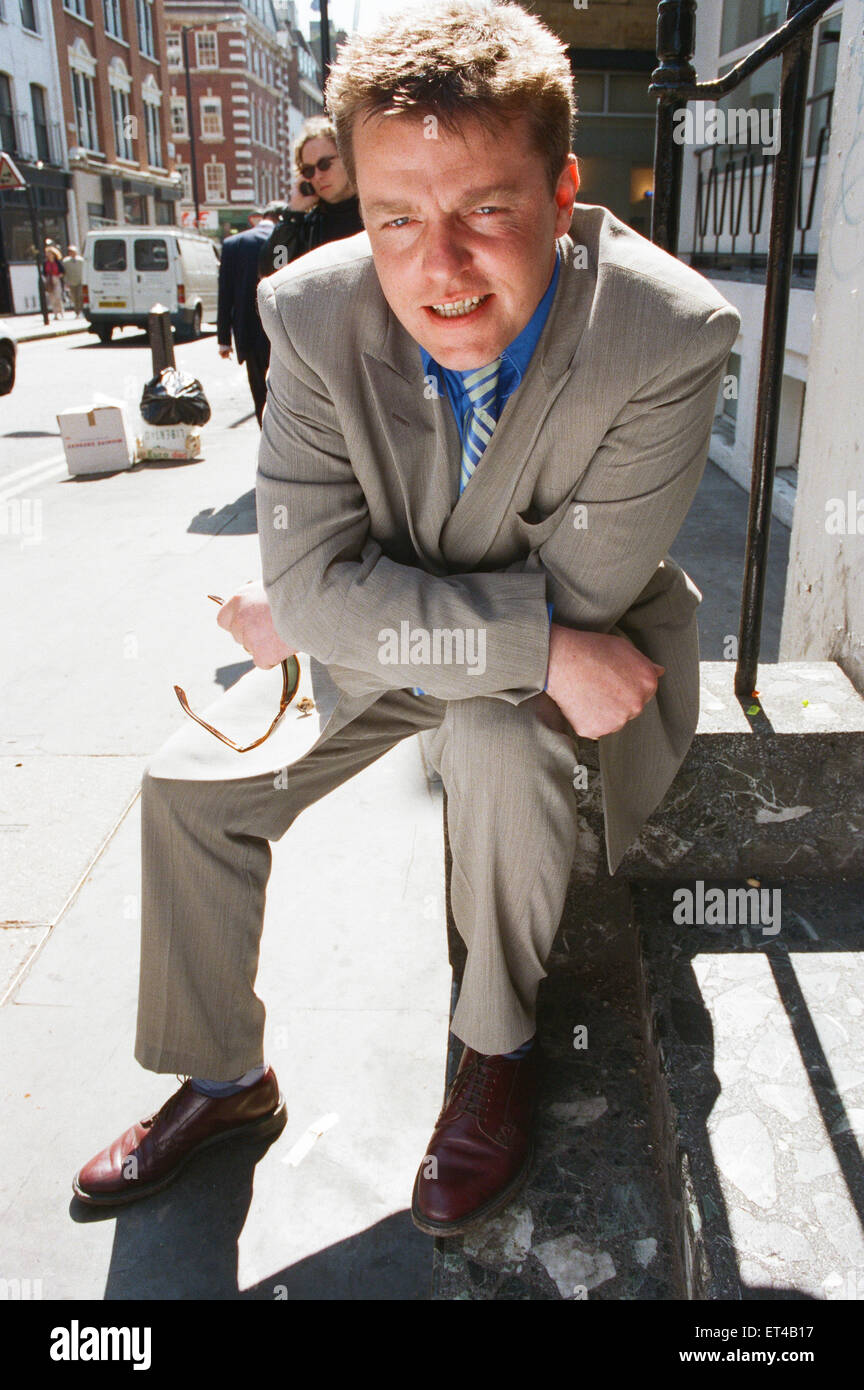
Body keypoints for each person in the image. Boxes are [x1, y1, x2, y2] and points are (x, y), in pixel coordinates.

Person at [73, 0, 740, 1237]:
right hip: (509, 653)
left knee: (492, 734)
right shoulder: (312, 312)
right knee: (186, 784)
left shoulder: (666, 333)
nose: (437, 268)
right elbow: (352, 593)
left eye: (486, 208)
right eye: (393, 217)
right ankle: (224, 1077)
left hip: (558, 685)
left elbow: (571, 605)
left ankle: (496, 1047)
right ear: (359, 203)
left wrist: (344, 605)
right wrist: (467, 624)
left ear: (564, 187)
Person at [258, 115, 364, 278]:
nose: (317, 176)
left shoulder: (375, 211)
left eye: (324, 165)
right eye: (308, 170)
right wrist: (292, 216)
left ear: (347, 157)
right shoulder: (306, 227)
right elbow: (274, 271)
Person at [216, 202, 284, 426]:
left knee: (259, 393)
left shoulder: (234, 243)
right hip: (282, 327)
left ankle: (264, 434)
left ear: (260, 217)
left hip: (249, 330)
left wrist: (224, 340)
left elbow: (225, 292)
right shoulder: (284, 239)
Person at [42, 242, 64, 320]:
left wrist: (59, 276)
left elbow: (62, 271)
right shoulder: (45, 263)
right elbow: (44, 272)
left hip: (56, 279)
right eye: (48, 253)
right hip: (49, 280)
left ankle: (60, 311)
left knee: (58, 296)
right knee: (52, 298)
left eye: (50, 253)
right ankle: (55, 314)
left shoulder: (57, 262)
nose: (49, 255)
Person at [61, 245, 85, 316]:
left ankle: (81, 310)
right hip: (71, 282)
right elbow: (64, 272)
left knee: (80, 296)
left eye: (73, 251)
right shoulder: (66, 261)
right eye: (71, 252)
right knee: (74, 297)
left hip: (80, 281)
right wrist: (66, 282)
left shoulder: (81, 260)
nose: (72, 253)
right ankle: (76, 311)